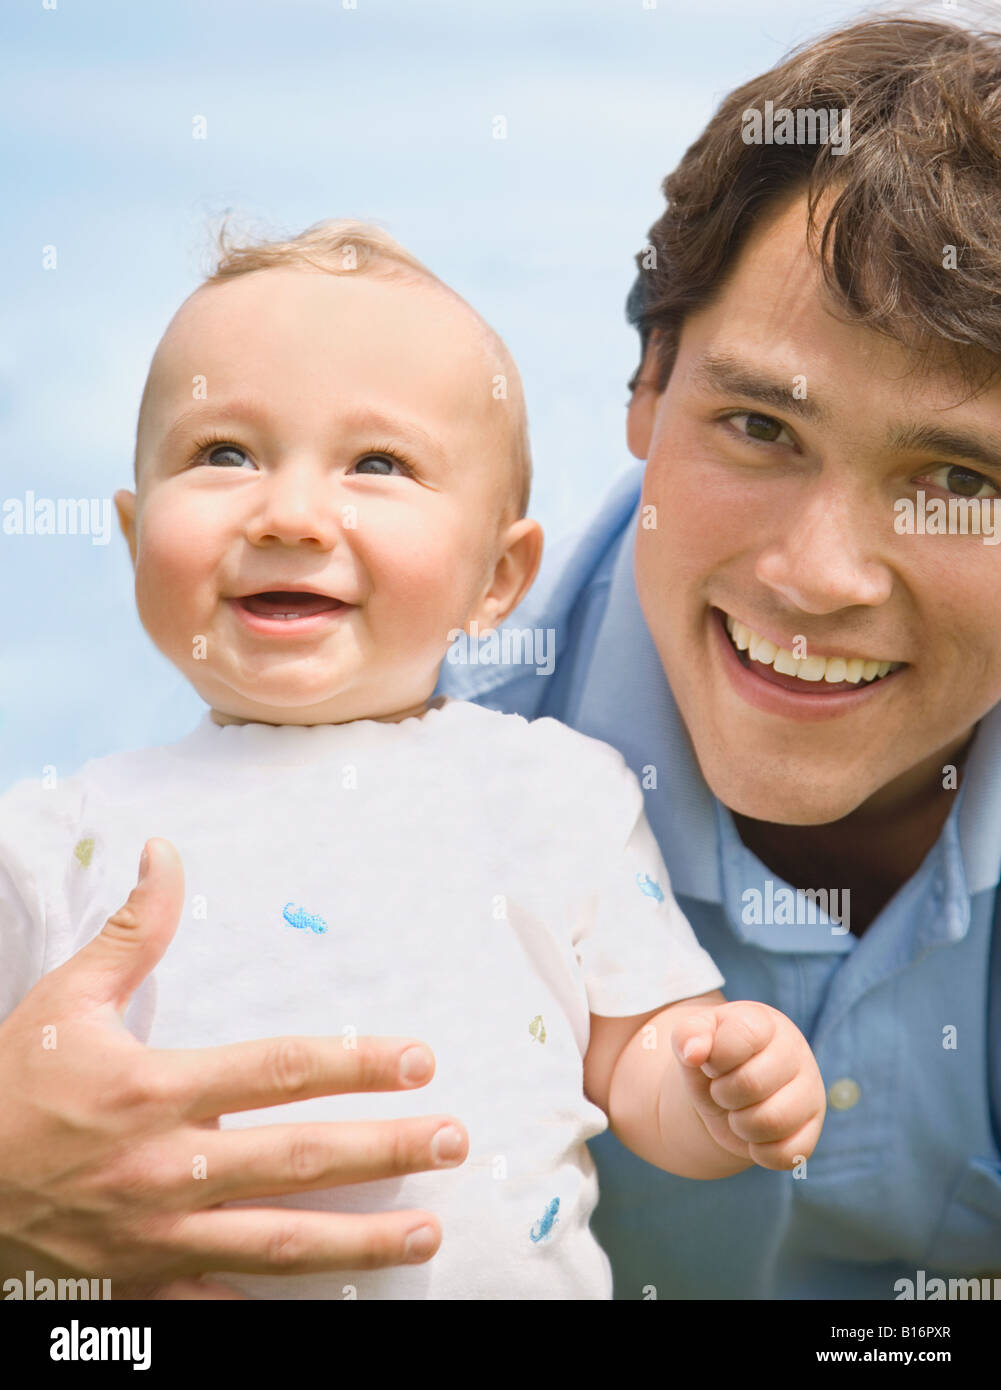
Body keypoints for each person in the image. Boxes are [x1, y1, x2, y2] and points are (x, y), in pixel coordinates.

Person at [0, 219, 825, 1299]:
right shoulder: (55, 834)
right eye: (223, 455)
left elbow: (636, 1060)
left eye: (376, 464)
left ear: (497, 578)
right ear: (133, 530)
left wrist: (719, 1085)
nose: (290, 514)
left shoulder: (554, 794)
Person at [437, 14, 1001, 1297]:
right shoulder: (400, 760)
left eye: (960, 480)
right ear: (645, 383)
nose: (817, 575)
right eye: (757, 425)